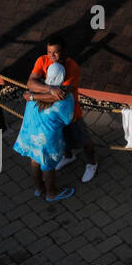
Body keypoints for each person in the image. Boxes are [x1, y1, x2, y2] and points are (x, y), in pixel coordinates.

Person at [28, 36, 97, 183]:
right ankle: (68, 156)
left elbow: (60, 95)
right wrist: (51, 88)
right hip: (51, 115)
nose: (52, 56)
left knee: (84, 140)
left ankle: (92, 164)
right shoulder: (42, 60)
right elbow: (30, 83)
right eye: (49, 52)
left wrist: (34, 97)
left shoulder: (73, 68)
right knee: (62, 138)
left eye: (56, 52)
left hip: (70, 112)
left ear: (64, 52)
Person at [13, 61, 75, 201]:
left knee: (35, 160)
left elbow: (31, 94)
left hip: (30, 134)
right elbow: (67, 120)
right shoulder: (65, 99)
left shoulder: (34, 90)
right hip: (47, 138)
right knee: (48, 164)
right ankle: (51, 193)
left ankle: (39, 188)